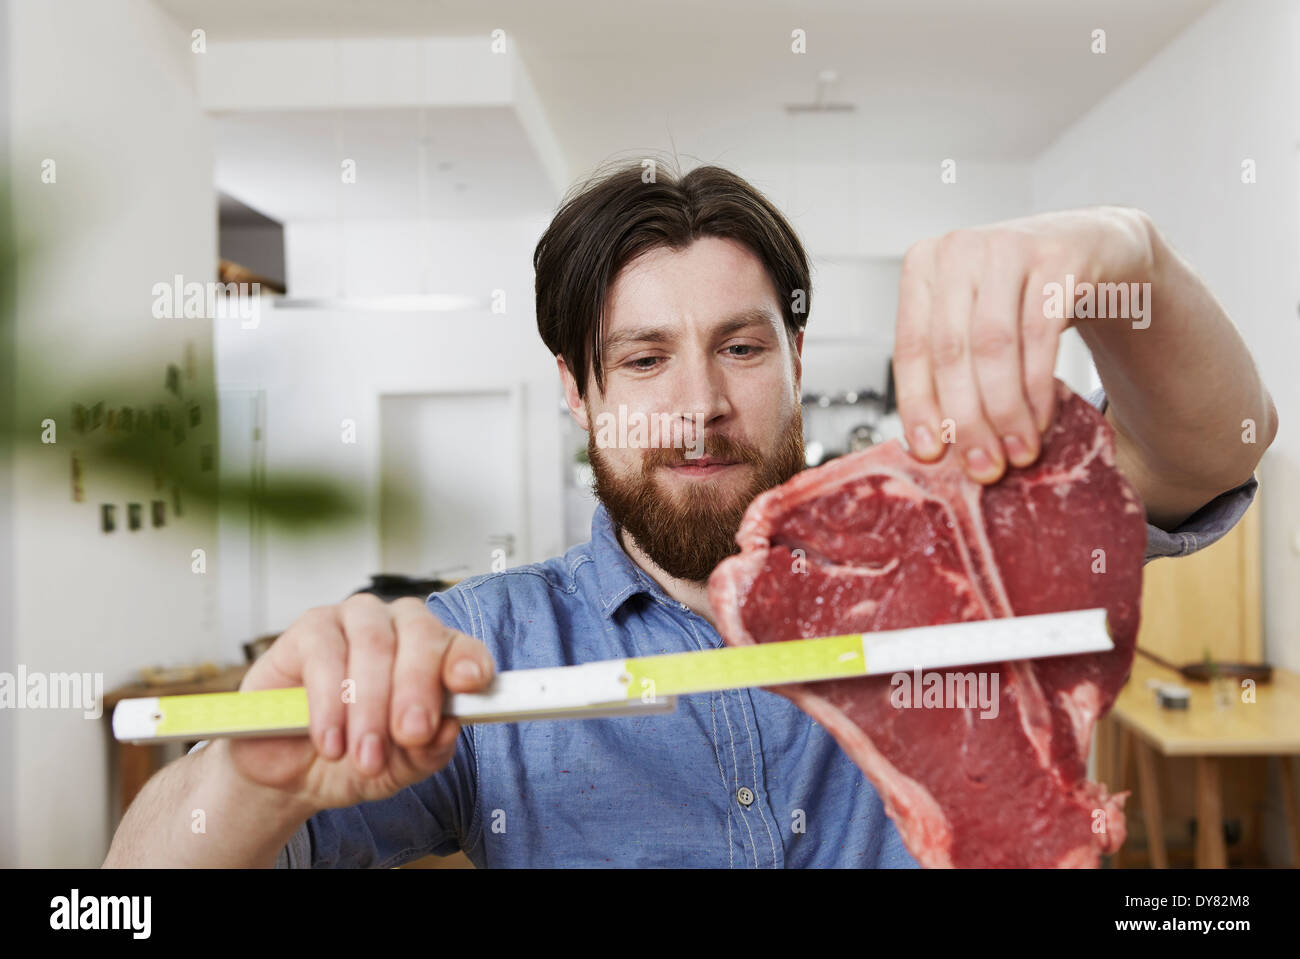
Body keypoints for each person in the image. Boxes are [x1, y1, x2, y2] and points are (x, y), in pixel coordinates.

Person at [103, 160, 1275, 868]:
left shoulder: (957, 562)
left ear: (797, 352)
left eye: (740, 346)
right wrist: (246, 783)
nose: (701, 406)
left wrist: (1130, 252)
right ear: (580, 387)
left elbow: (1213, 450)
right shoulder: (482, 656)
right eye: (647, 357)